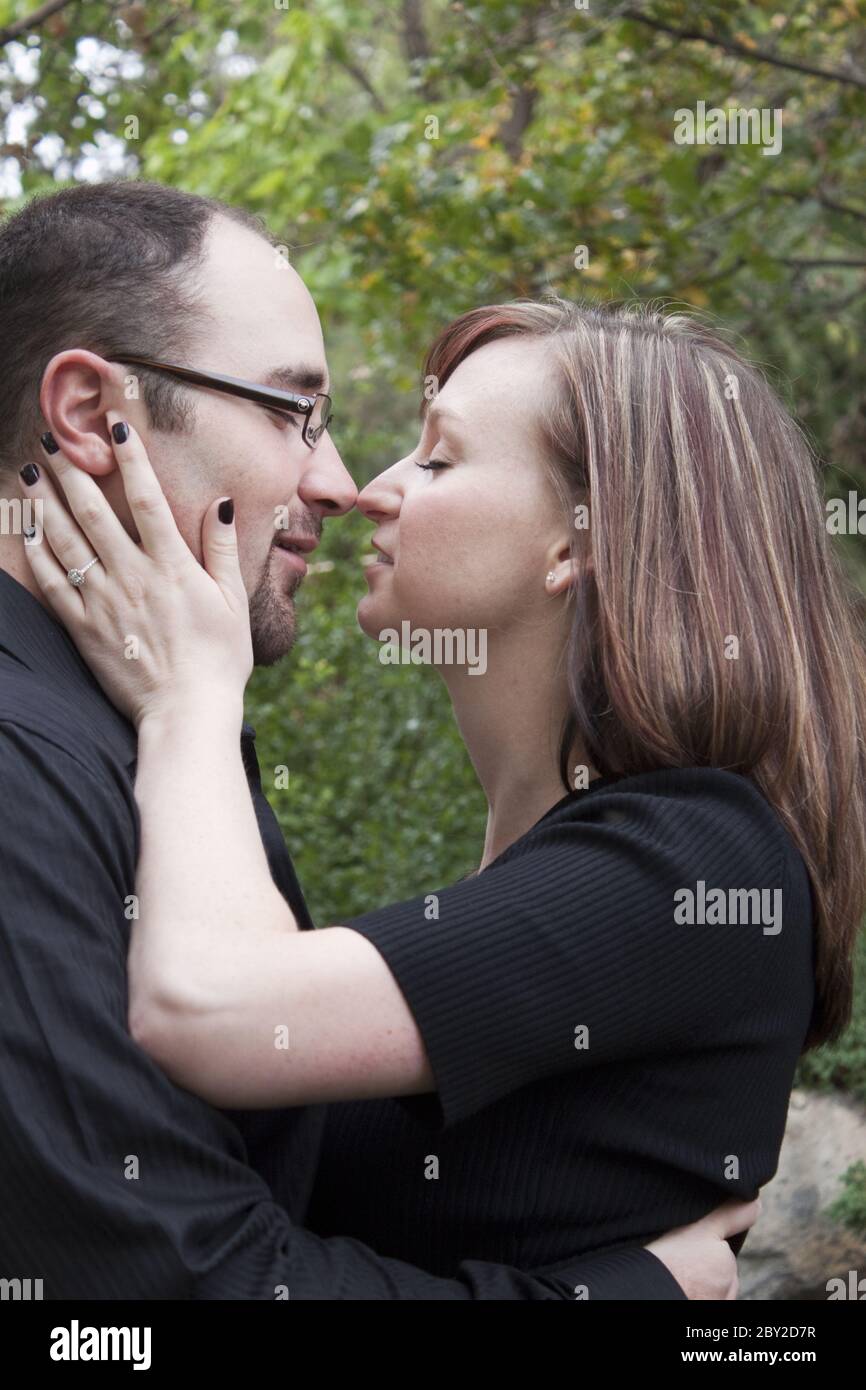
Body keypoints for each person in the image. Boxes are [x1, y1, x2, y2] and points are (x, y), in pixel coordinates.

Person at [18, 232, 866, 1281]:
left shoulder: (701, 858)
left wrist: (190, 696)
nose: (363, 486)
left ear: (577, 539)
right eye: (296, 418)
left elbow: (210, 1006)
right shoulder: (552, 879)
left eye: (437, 456)